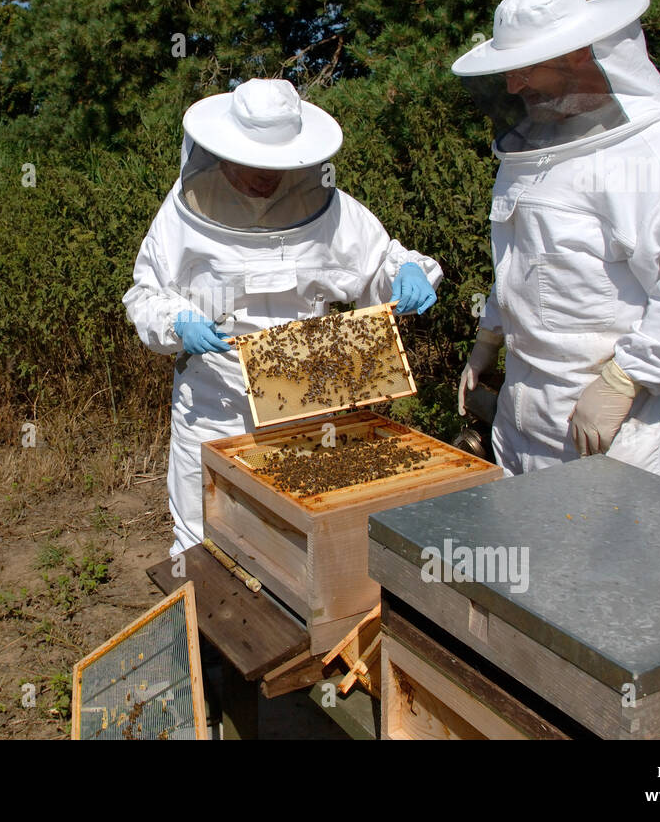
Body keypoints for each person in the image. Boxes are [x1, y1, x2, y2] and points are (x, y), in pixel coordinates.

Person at [123, 79, 442, 555]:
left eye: (274, 163)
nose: (264, 175)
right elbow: (146, 294)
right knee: (203, 534)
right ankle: (204, 625)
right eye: (252, 161)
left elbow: (379, 263)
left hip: (310, 392)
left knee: (298, 542)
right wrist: (178, 323)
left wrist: (408, 271)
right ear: (223, 150)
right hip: (218, 399)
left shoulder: (329, 208)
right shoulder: (183, 212)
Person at [451, 0, 660, 484]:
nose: (514, 87)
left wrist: (626, 378)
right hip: (523, 405)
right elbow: (523, 260)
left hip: (615, 424)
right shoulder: (533, 149)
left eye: (526, 70)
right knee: (524, 555)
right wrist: (489, 337)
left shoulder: (657, 156)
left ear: (579, 55)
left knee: (609, 562)